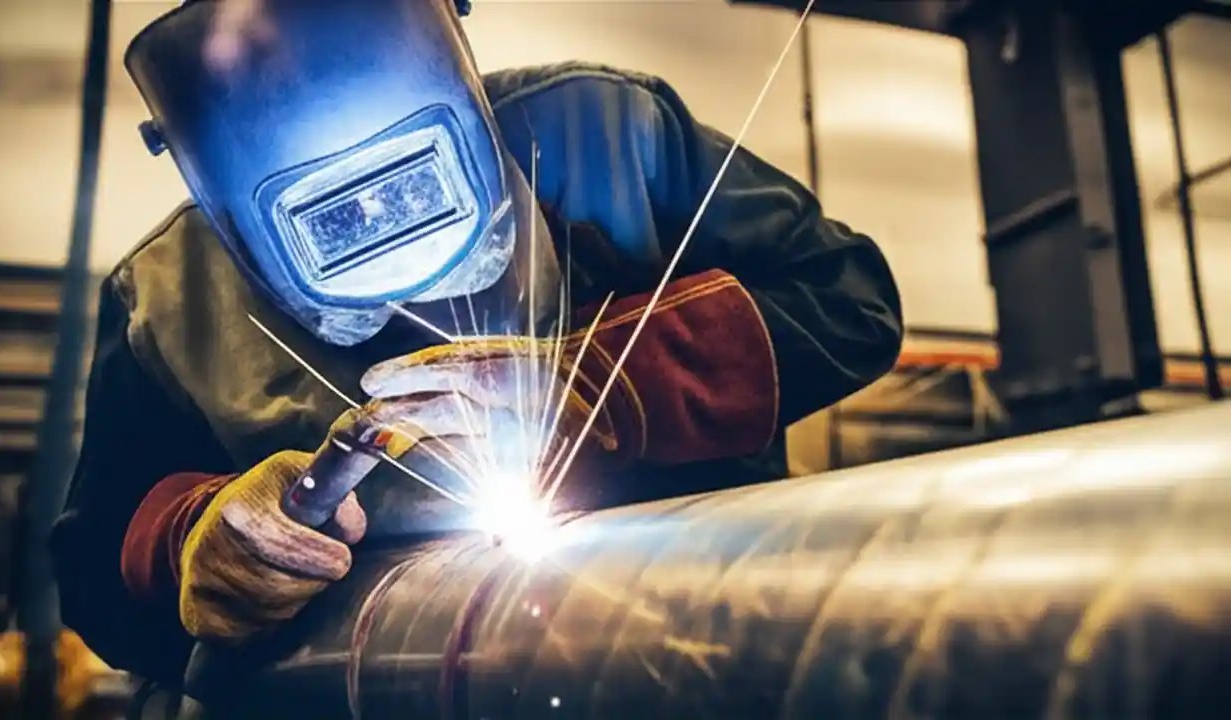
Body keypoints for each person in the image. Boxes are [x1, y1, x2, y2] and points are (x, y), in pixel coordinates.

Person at [51, 0, 903, 695]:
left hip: (683, 667)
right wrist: (196, 544)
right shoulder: (163, 297)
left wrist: (610, 381)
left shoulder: (610, 132)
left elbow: (852, 300)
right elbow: (93, 581)